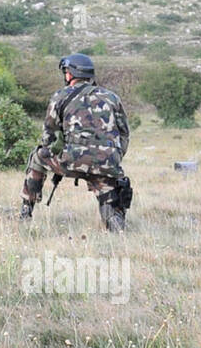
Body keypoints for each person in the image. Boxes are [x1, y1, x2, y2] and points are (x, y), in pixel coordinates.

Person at [19, 53, 131, 232]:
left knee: (37, 157)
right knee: (109, 195)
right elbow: (124, 133)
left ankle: (26, 211)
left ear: (70, 74)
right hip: (107, 162)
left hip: (71, 160)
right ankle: (115, 226)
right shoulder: (111, 97)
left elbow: (48, 135)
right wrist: (113, 158)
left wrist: (54, 151)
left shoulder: (60, 96)